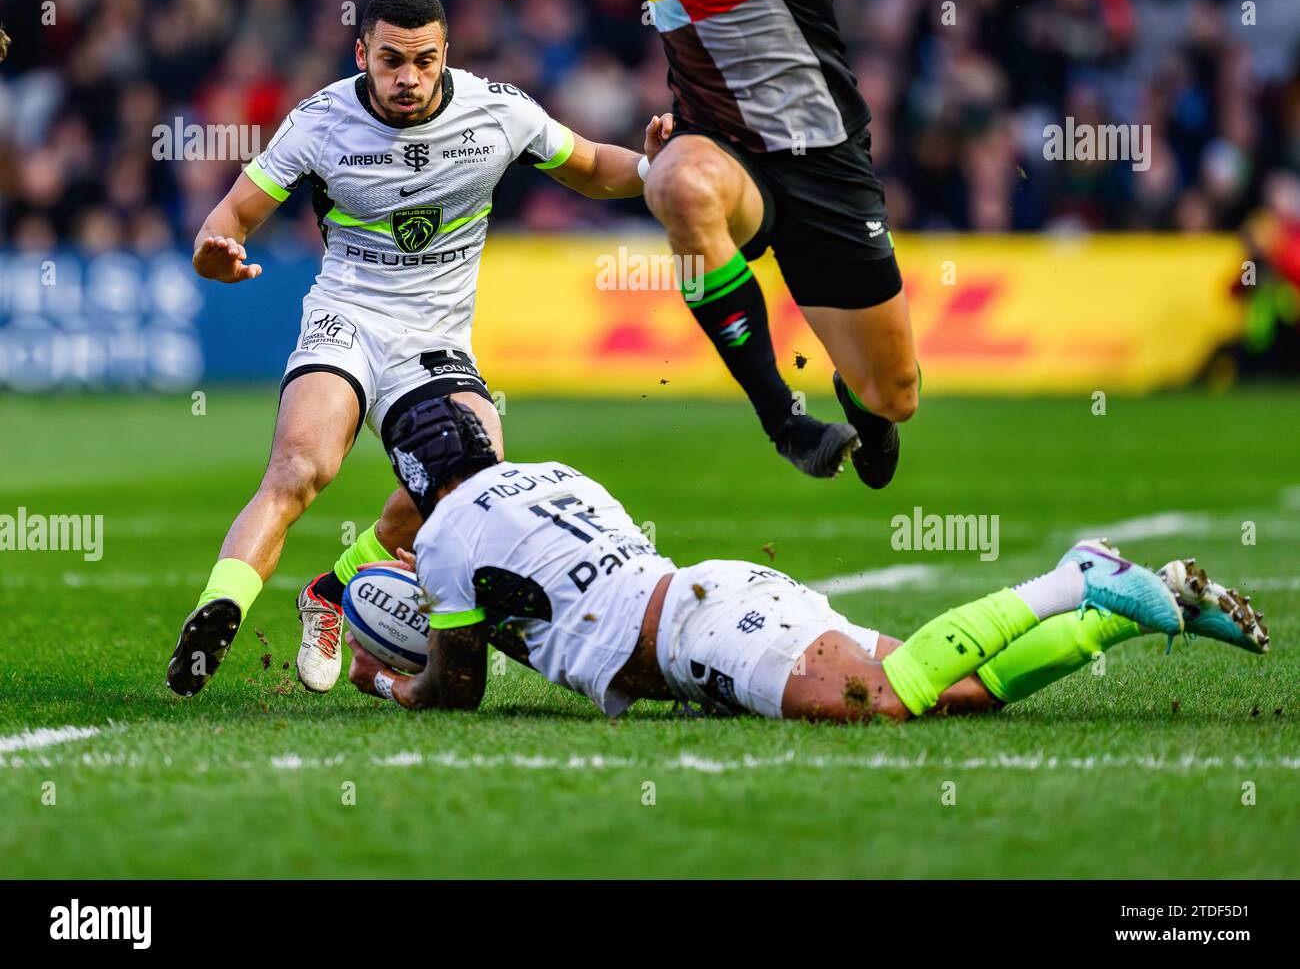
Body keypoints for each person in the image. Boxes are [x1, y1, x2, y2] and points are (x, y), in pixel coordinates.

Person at [166, 0, 668, 697]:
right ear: (362, 54)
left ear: (444, 58)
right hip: (345, 318)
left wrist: (654, 170)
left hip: (434, 341)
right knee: (300, 467)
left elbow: (588, 165)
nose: (409, 78)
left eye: (424, 61)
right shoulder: (319, 122)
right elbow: (229, 220)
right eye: (392, 61)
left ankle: (334, 592)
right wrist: (212, 254)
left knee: (469, 483)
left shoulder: (498, 111)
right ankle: (217, 611)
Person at [485, 0, 919, 486]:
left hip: (822, 153)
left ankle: (866, 413)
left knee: (894, 392)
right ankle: (783, 419)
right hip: (720, 144)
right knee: (677, 184)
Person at [345, 397, 1269, 721]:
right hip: (708, 595)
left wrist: (380, 677)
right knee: (959, 688)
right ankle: (1140, 609)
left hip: (701, 633)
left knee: (883, 703)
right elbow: (553, 609)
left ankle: (1078, 577)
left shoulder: (442, 540)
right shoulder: (547, 473)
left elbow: (453, 692)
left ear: (415, 476)